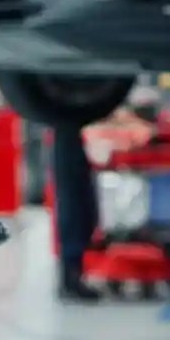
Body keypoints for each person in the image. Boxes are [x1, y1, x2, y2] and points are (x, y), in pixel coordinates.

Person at [51, 124, 103, 302]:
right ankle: (71, 280)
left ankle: (71, 278)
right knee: (74, 210)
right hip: (69, 147)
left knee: (79, 209)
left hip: (72, 144)